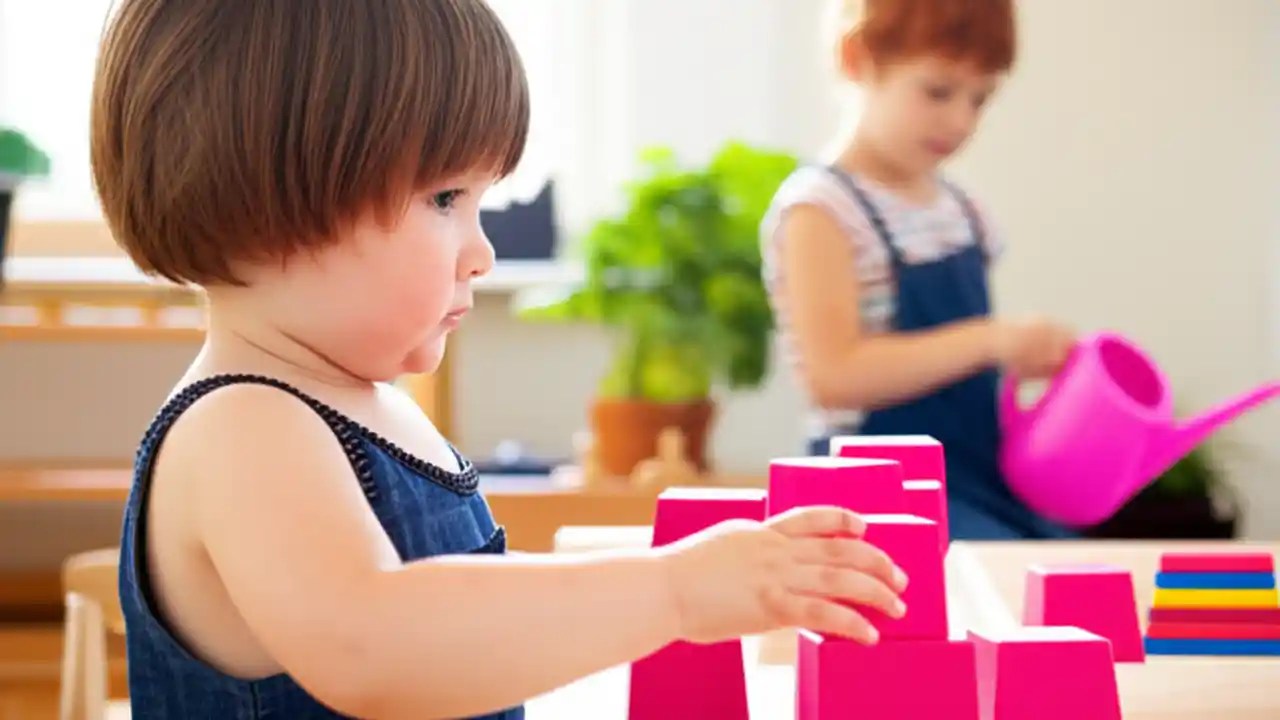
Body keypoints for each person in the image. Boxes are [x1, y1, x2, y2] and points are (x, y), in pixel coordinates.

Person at [90, 2, 909, 718]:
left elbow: (459, 613)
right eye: (446, 199)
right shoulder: (242, 426)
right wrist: (675, 590)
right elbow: (374, 645)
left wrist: (651, 579)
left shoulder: (362, 407)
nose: (480, 252)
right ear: (270, 194)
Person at [760, 0, 1077, 541]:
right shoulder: (821, 209)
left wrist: (1027, 358)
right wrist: (990, 340)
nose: (961, 121)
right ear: (857, 59)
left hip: (976, 480)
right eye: (938, 91)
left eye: (980, 98)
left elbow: (964, 370)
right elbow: (834, 376)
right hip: (871, 491)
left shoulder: (963, 210)